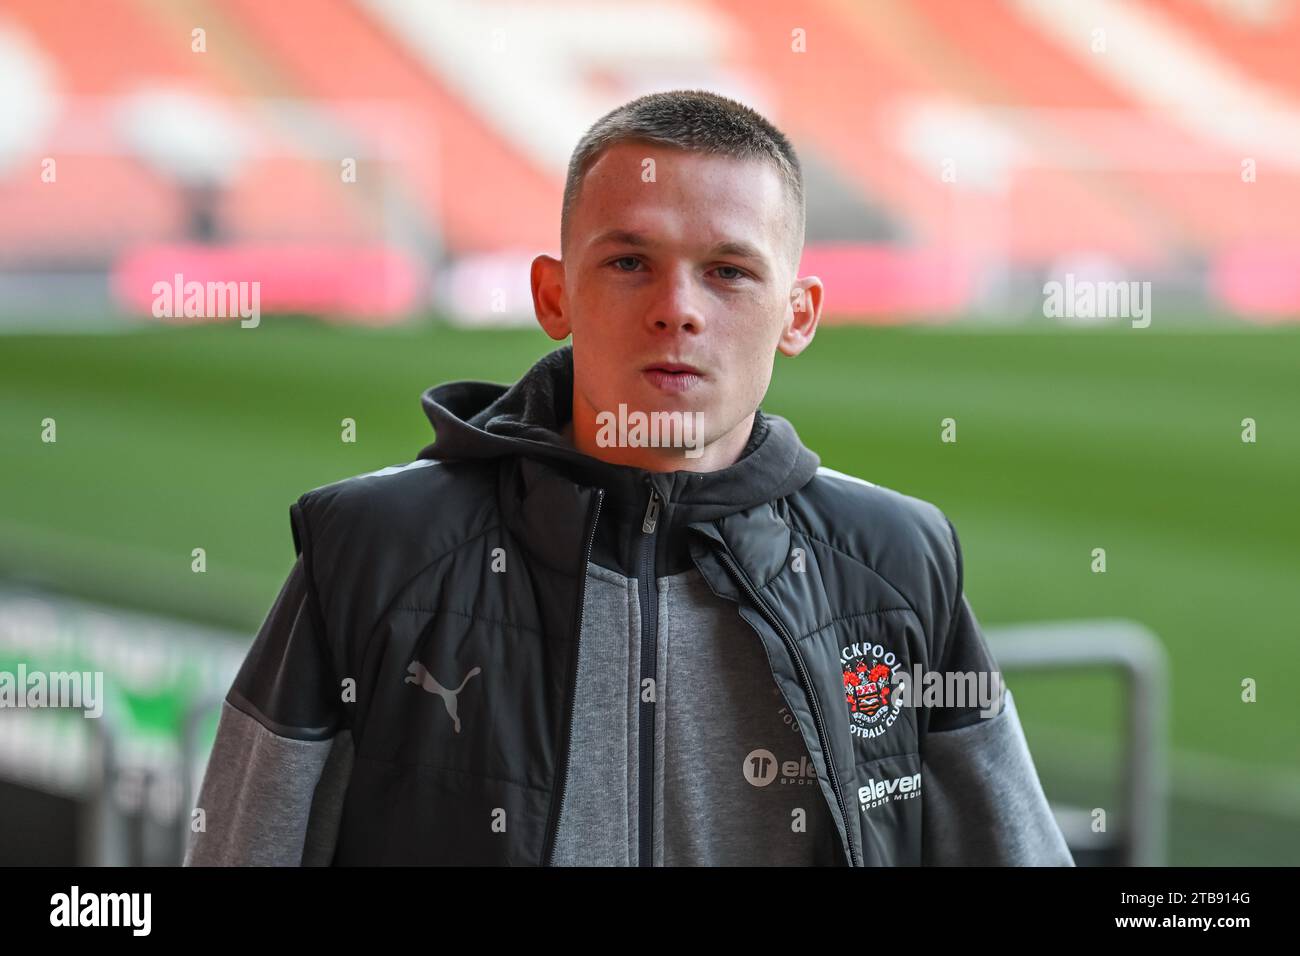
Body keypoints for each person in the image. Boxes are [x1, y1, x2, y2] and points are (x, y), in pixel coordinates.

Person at [184, 89, 1073, 867]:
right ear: (553, 295)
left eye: (728, 271)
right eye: (629, 263)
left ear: (797, 315)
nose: (677, 309)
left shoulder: (898, 559)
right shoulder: (374, 551)